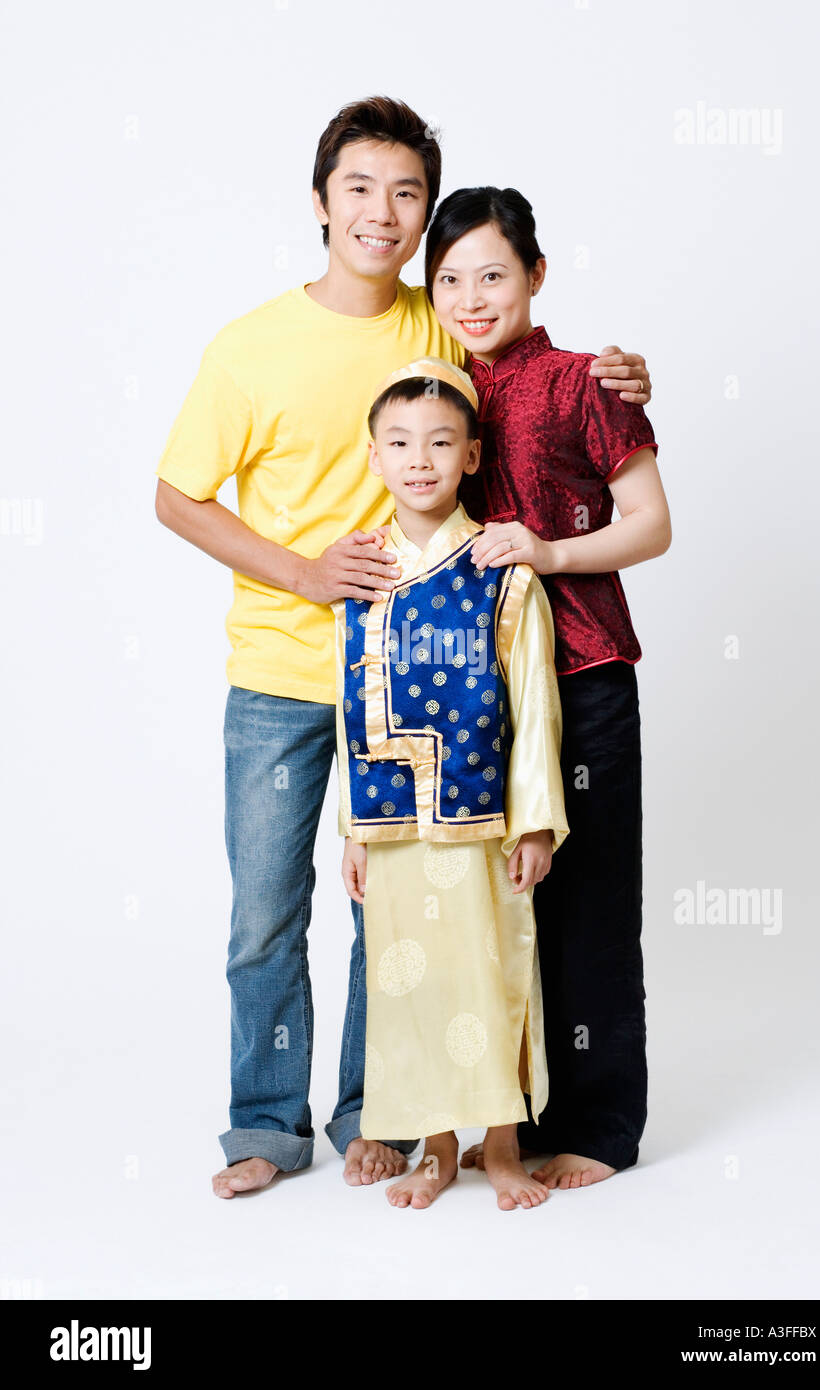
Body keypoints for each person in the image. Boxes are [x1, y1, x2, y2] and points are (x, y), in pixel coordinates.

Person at [153, 93, 652, 1199]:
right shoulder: (249, 346)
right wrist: (301, 572)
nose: (383, 212)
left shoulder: (439, 317)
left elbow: (521, 340)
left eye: (406, 193)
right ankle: (265, 1127)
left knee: (404, 910)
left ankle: (379, 1112)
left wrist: (620, 379)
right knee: (266, 914)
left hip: (430, 679)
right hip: (285, 669)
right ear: (321, 204)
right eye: (360, 189)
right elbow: (175, 497)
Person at [423, 186, 672, 1188]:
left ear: (534, 273)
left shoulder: (585, 381)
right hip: (478, 688)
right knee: (496, 904)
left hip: (583, 671)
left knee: (589, 899)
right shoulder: (437, 391)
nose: (472, 297)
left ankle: (600, 1123)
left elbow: (649, 524)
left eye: (492, 273)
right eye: (449, 279)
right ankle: (505, 1117)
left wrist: (545, 548)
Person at [335, 357, 569, 1210]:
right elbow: (346, 709)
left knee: (494, 972)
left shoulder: (501, 568)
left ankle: (500, 1148)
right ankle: (435, 1148)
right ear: (373, 455)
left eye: (440, 441)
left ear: (473, 455)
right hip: (393, 823)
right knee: (412, 986)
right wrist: (354, 833)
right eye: (399, 442)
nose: (420, 459)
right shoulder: (361, 575)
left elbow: (535, 702)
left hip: (485, 817)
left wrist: (536, 821)